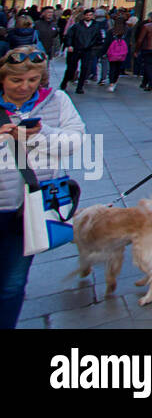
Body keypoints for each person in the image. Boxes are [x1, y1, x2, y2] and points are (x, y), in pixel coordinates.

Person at [0, 47, 87, 328]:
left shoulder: (56, 101)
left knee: (12, 284)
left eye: (33, 80)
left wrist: (41, 134)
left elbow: (77, 141)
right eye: (16, 81)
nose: (25, 87)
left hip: (29, 209)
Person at [61, 8, 104, 94]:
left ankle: (80, 87)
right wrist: (69, 45)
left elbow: (99, 38)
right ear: (84, 16)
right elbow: (69, 36)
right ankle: (64, 83)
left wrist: (96, 47)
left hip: (88, 50)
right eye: (87, 15)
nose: (89, 17)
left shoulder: (96, 26)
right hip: (76, 49)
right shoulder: (77, 26)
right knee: (71, 68)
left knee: (85, 68)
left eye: (90, 15)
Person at [104, 25, 129, 93]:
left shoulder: (111, 32)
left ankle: (111, 83)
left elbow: (106, 43)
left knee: (112, 68)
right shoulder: (126, 31)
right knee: (117, 68)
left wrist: (104, 52)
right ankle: (114, 81)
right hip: (121, 55)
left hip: (112, 55)